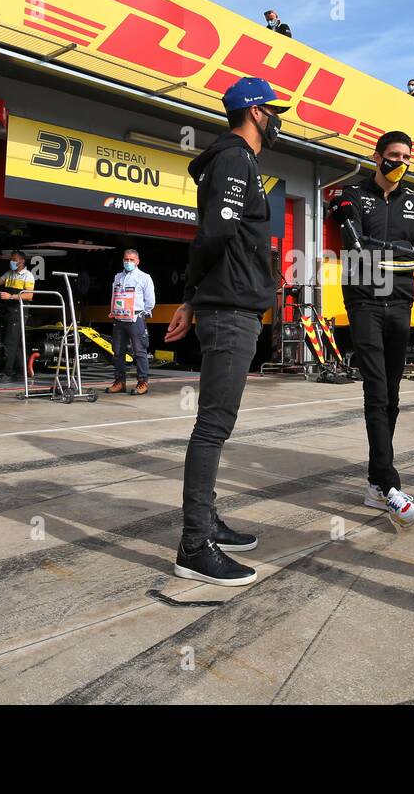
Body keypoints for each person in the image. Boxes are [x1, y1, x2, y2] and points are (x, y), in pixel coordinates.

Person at [164, 76, 284, 586]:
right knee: (212, 427)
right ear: (255, 112)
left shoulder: (244, 161)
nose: (278, 119)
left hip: (233, 306)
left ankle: (207, 521)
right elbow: (213, 233)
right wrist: (193, 298)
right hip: (229, 310)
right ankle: (194, 545)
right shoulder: (236, 158)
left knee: (216, 425)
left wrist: (194, 300)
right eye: (274, 111)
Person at [328, 130, 414, 528]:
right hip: (364, 301)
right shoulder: (354, 193)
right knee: (375, 390)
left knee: (392, 393)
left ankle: (374, 481)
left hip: (401, 301)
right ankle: (389, 483)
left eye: (406, 156)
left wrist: (381, 253)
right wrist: (357, 236)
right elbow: (346, 225)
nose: (399, 161)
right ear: (377, 156)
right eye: (393, 155)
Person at [107, 248, 156, 395]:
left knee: (139, 351)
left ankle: (143, 382)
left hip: (135, 318)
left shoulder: (144, 277)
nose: (128, 262)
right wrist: (113, 310)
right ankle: (119, 381)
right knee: (118, 352)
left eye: (131, 260)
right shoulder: (117, 277)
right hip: (119, 318)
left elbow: (150, 301)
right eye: (126, 259)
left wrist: (141, 313)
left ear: (137, 261)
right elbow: (114, 296)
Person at [0, 250, 35, 383]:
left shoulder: (28, 276)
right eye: (11, 259)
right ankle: (22, 372)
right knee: (16, 344)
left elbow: (29, 296)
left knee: (10, 343)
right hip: (8, 311)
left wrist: (11, 296)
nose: (11, 261)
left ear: (22, 261)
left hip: (19, 311)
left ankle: (7, 373)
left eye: (14, 259)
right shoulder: (9, 273)